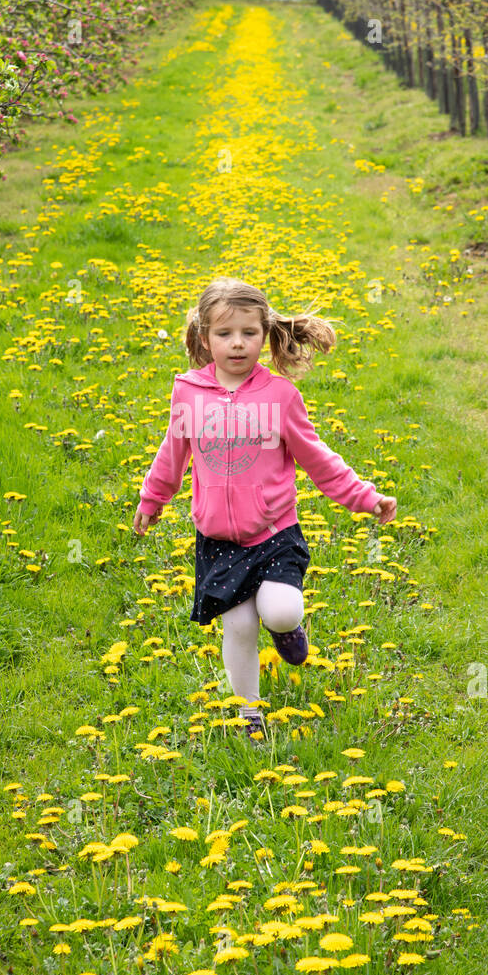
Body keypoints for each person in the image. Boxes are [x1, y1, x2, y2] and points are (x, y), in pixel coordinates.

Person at [132, 277, 398, 738]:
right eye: (224, 334)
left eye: (249, 333)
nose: (237, 344)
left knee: (279, 612)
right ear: (203, 337)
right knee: (236, 625)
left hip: (274, 532)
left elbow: (319, 460)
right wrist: (153, 498)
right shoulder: (188, 394)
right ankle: (247, 712)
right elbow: (171, 453)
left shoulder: (280, 397)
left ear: (266, 333)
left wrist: (365, 497)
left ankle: (288, 633)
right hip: (217, 539)